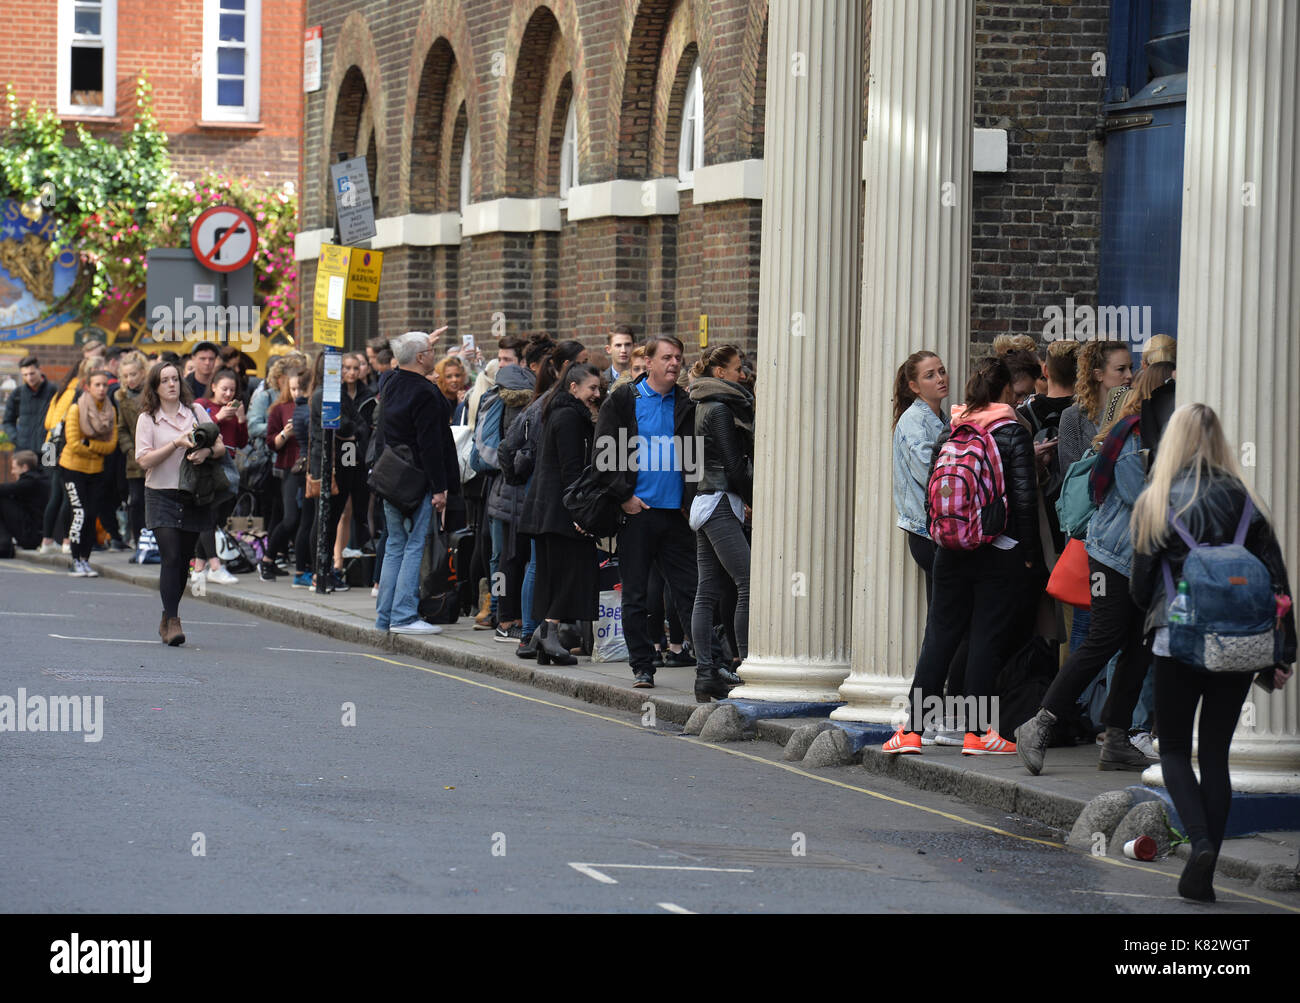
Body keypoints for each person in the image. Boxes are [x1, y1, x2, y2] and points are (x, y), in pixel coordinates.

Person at [1128, 403, 1295, 902]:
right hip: (1238, 644)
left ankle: (1198, 843)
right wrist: (1280, 653)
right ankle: (1206, 865)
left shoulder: (1156, 501)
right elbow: (1278, 585)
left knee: (1175, 748)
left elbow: (1139, 589)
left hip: (1176, 637)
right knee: (1217, 753)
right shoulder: (1247, 501)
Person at [1014, 363, 1176, 775]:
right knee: (1102, 641)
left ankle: (1117, 738)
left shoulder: (1156, 439)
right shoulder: (1131, 438)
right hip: (1114, 556)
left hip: (1143, 559)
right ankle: (1039, 725)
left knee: (1139, 648)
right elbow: (1145, 498)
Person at [883, 356, 1042, 755]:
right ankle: (977, 734)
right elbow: (1023, 499)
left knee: (939, 637)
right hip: (997, 549)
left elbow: (933, 491)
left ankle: (911, 731)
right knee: (984, 638)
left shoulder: (954, 427)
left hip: (949, 549)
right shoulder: (1012, 430)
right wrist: (1030, 554)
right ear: (1006, 391)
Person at [592, 335, 698, 688]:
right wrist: (624, 497)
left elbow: (694, 455)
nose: (674, 363)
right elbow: (604, 456)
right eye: (667, 357)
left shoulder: (685, 403)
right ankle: (642, 665)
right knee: (636, 593)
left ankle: (707, 663)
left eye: (679, 358)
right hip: (638, 513)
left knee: (689, 590)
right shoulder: (624, 399)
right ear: (648, 362)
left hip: (676, 515)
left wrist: (691, 501)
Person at [136, 361, 226, 645]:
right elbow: (143, 460)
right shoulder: (147, 419)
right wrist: (175, 443)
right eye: (165, 380)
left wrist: (206, 453)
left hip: (192, 494)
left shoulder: (196, 412)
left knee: (184, 559)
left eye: (175, 379)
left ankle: (167, 614)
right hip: (160, 493)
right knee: (171, 556)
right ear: (155, 387)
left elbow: (221, 446)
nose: (172, 384)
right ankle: (174, 620)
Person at [373, 331, 457, 634]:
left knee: (395, 545)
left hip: (391, 478)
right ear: (421, 357)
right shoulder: (424, 392)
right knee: (412, 546)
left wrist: (410, 344)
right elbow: (430, 445)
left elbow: (397, 366)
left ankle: (385, 617)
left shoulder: (391, 382)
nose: (434, 354)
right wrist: (439, 488)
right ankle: (404, 615)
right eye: (431, 350)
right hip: (417, 479)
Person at [524, 362, 604, 664]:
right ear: (573, 388)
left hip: (550, 511)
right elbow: (572, 471)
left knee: (553, 574)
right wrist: (580, 514)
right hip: (561, 512)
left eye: (598, 388)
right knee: (568, 573)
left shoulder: (560, 412)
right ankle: (549, 632)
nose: (596, 394)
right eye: (591, 389)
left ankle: (543, 638)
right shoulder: (570, 417)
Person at [688, 346, 753, 702]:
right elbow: (732, 464)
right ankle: (746, 668)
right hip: (721, 502)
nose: (742, 375)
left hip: (704, 500)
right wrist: (753, 499)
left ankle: (705, 675)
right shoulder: (721, 409)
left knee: (707, 591)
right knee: (748, 582)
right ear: (720, 372)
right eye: (737, 368)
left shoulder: (700, 404)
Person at [891, 351, 951, 603]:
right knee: (946, 617)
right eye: (930, 375)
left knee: (945, 614)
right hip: (927, 534)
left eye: (941, 371)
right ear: (914, 386)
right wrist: (966, 491)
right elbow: (933, 477)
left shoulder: (942, 418)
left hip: (940, 529)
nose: (940, 378)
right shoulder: (914, 421)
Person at [58, 368, 118, 577]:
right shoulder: (76, 409)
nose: (102, 389)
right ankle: (75, 560)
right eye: (97, 385)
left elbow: (111, 446)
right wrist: (96, 447)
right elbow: (74, 443)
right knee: (80, 514)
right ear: (88, 387)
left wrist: (89, 444)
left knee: (92, 515)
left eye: (105, 385)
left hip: (96, 471)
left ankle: (85, 559)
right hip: (72, 469)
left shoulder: (110, 411)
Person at [192, 369, 247, 585]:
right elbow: (197, 433)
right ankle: (214, 565)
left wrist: (241, 420)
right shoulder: (202, 404)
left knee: (214, 518)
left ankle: (199, 567)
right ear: (213, 386)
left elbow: (242, 442)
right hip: (208, 465)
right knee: (207, 515)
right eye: (224, 389)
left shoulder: (234, 409)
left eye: (232, 390)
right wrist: (218, 417)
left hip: (228, 466)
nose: (228, 394)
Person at [38, 360, 90, 555]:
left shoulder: (61, 390)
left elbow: (48, 422)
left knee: (56, 494)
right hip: (62, 447)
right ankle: (66, 540)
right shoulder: (75, 392)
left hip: (50, 444)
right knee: (68, 494)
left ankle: (47, 540)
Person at [1058, 340, 1132, 472]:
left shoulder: (1134, 412)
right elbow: (1070, 473)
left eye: (1130, 368)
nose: (1129, 376)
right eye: (1121, 369)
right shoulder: (1073, 417)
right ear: (1099, 374)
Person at [261, 368, 307, 581]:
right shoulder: (279, 409)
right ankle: (268, 559)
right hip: (289, 467)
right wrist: (285, 434)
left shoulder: (312, 406)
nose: (298, 392)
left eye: (301, 388)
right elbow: (271, 443)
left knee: (304, 519)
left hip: (310, 467)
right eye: (294, 388)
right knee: (290, 518)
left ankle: (303, 567)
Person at [113, 350, 150, 551]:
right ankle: (139, 541)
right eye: (126, 376)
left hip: (156, 454)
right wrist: (130, 449)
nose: (130, 379)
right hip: (134, 458)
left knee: (155, 500)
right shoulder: (122, 397)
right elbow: (121, 429)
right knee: (135, 501)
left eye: (133, 374)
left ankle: (155, 541)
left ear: (143, 373)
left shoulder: (154, 392)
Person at [3, 356, 57, 454]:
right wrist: (16, 438)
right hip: (23, 450)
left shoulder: (54, 392)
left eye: (32, 373)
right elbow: (7, 421)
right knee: (23, 470)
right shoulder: (17, 394)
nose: (29, 378)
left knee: (51, 470)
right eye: (25, 375)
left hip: (49, 450)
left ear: (39, 370)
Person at [0, 450, 49, 557]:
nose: (12, 472)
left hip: (30, 536)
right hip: (35, 533)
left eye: (14, 468)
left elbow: (6, 489)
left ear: (25, 467)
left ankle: (4, 545)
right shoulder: (40, 478)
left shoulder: (30, 482)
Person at [433, 356, 470, 424]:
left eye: (457, 375)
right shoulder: (437, 400)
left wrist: (463, 406)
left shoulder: (467, 397)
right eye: (449, 376)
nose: (454, 380)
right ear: (441, 378)